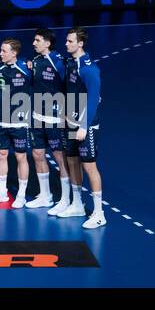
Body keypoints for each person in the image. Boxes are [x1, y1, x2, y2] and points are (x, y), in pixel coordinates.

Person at [57, 27, 105, 228]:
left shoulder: (89, 69)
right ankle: (77, 204)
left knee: (89, 166)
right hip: (70, 122)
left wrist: (84, 126)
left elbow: (93, 99)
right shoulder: (70, 64)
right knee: (72, 162)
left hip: (86, 126)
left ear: (80, 43)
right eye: (66, 41)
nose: (66, 44)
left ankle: (99, 213)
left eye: (70, 41)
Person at [0, 39, 33, 207]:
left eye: (4, 51)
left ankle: (21, 194)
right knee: (1, 155)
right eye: (0, 50)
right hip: (0, 120)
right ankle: (2, 191)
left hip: (19, 122)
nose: (1, 53)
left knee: (21, 156)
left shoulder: (26, 69)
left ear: (14, 53)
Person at [27, 29, 68, 210]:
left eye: (37, 40)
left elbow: (69, 85)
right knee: (37, 154)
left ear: (47, 43)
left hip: (54, 117)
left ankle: (67, 198)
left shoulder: (58, 61)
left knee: (60, 157)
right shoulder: (35, 61)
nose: (34, 43)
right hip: (36, 115)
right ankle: (45, 195)